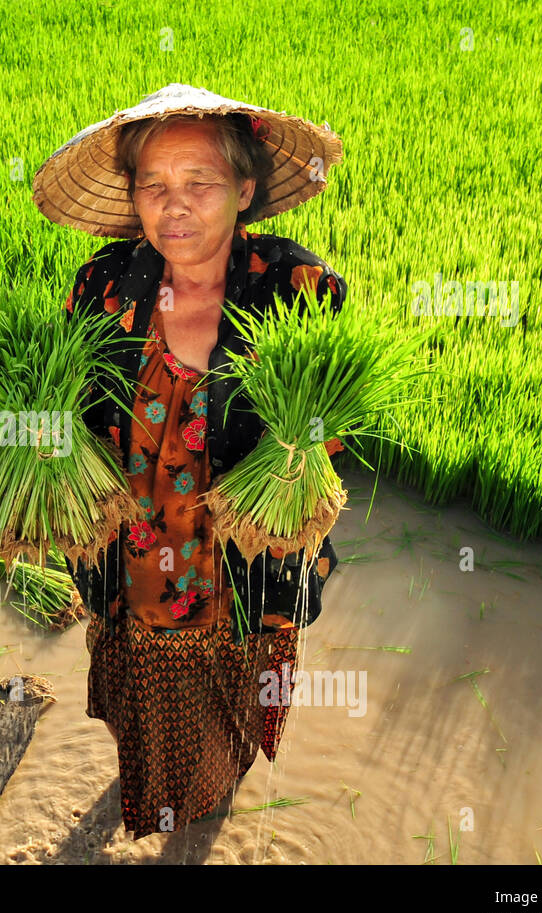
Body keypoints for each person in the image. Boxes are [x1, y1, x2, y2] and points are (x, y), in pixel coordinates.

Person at [32, 84, 348, 839]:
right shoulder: (105, 286)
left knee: (225, 728)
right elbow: (67, 410)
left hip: (241, 573)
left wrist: (300, 449)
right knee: (139, 711)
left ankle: (203, 818)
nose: (174, 206)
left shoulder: (296, 289)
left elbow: (332, 433)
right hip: (129, 565)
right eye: (155, 186)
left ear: (244, 189)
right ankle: (154, 788)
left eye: (199, 184)